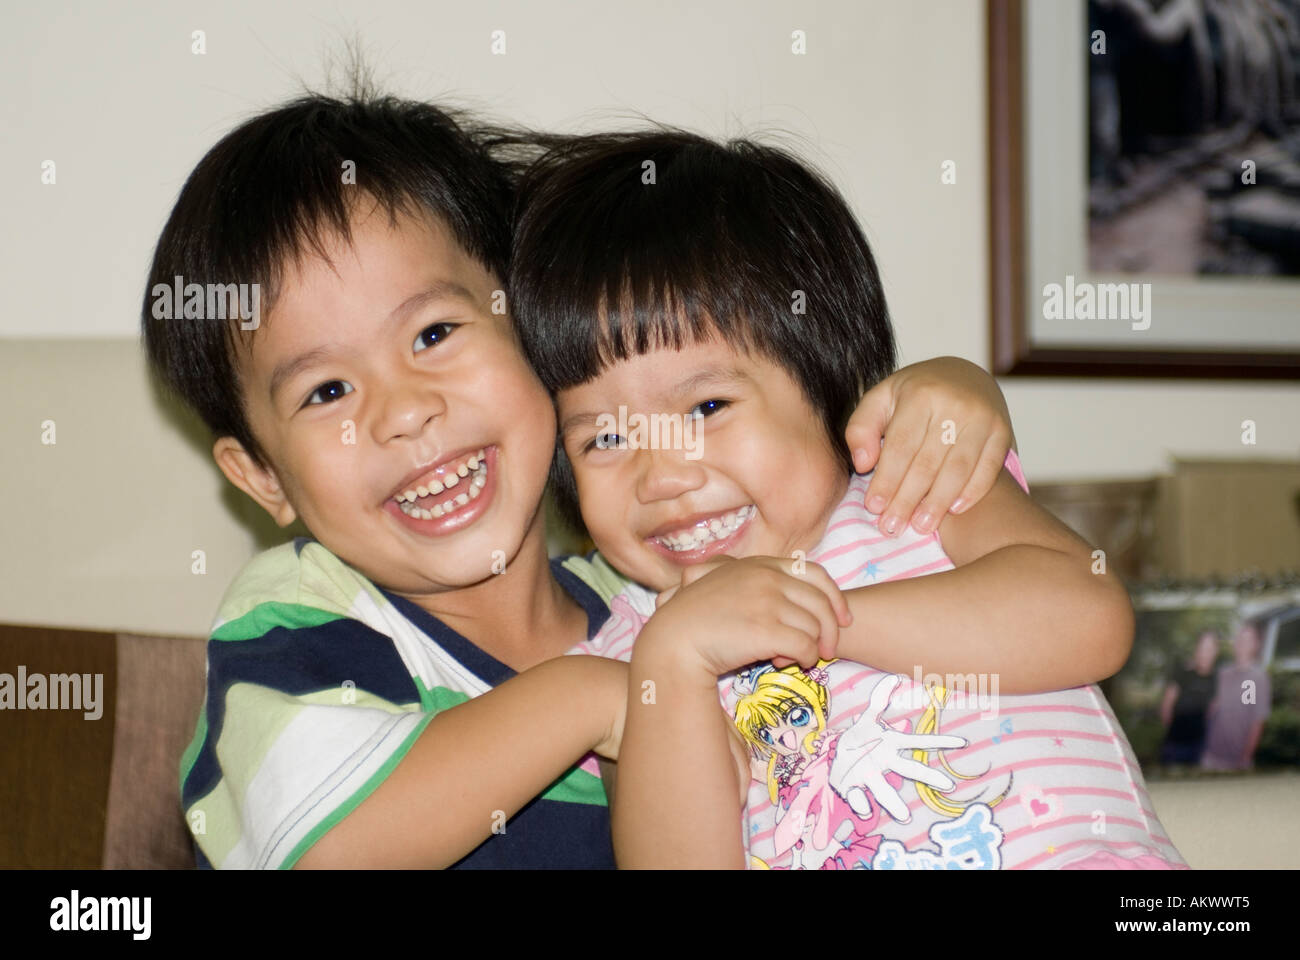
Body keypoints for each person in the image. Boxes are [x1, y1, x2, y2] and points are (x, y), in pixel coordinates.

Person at [143, 89, 1016, 868]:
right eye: (326, 390)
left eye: (436, 334)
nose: (403, 411)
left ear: (532, 330)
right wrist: (602, 696)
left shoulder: (654, 590)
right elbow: (339, 850)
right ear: (262, 477)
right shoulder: (300, 618)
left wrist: (949, 393)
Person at [510, 129, 1188, 869]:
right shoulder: (639, 647)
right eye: (603, 439)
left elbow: (1089, 620)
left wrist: (816, 614)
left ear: (832, 386)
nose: (661, 477)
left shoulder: (912, 488)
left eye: (707, 409)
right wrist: (677, 660)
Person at [1202, 621, 1272, 771]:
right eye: (1239, 638)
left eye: (1247, 640)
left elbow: (1257, 722)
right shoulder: (1221, 673)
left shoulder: (1257, 678)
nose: (1241, 643)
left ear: (1256, 645)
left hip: (1237, 762)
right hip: (1209, 757)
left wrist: (1245, 758)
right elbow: (1207, 711)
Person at [1159, 629, 1220, 766]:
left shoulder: (1217, 678)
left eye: (1210, 649)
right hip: (1174, 744)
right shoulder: (1183, 673)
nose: (1205, 653)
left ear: (1216, 651)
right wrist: (1174, 732)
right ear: (1196, 650)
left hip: (1198, 746)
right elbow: (1166, 706)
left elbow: (1213, 709)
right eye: (1202, 648)